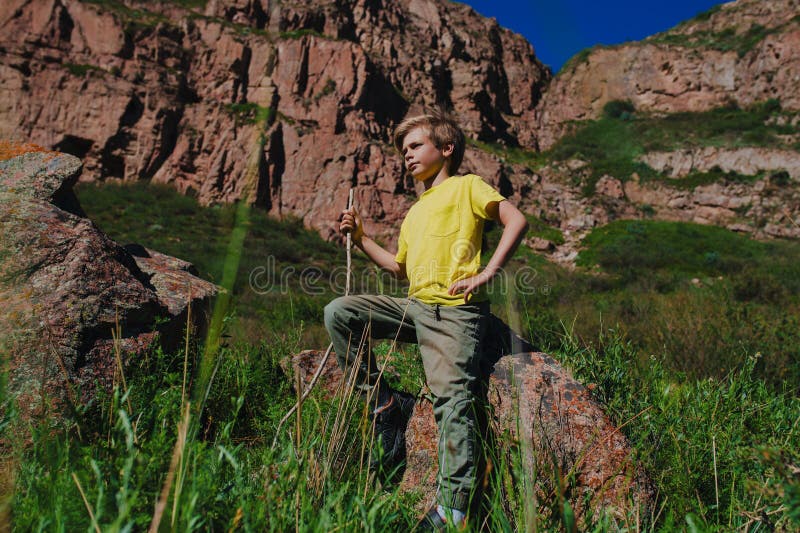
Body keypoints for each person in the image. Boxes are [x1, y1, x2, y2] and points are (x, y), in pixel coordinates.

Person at [323, 110, 528, 530]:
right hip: (415, 307)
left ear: (447, 149)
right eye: (403, 151)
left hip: (455, 311)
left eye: (415, 146)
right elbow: (399, 270)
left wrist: (487, 272)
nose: (407, 157)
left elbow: (516, 220)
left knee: (452, 399)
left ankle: (453, 509)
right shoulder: (414, 212)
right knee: (339, 313)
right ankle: (385, 406)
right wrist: (361, 238)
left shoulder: (467, 187)